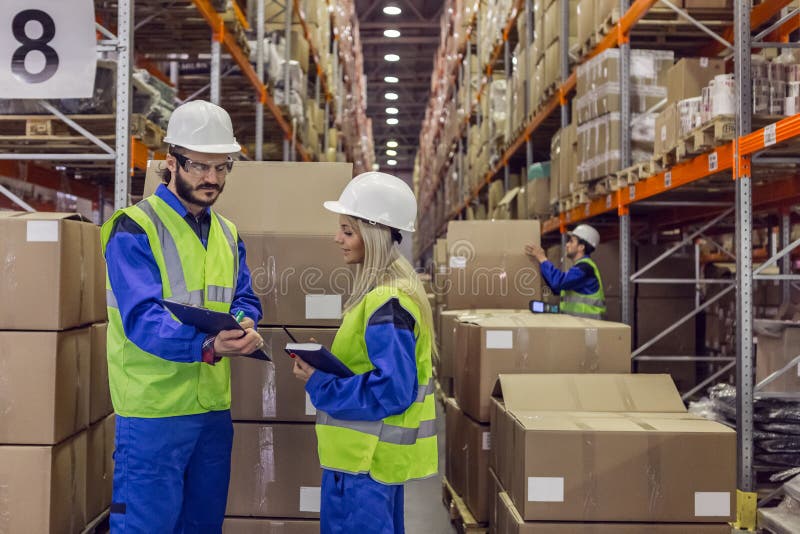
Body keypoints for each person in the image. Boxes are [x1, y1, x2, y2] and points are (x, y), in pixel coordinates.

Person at [101, 100, 264, 532]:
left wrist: (245, 323)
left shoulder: (228, 234)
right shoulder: (134, 228)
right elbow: (142, 318)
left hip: (211, 410)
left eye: (222, 167)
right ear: (171, 161)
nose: (212, 178)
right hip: (154, 412)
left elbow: (244, 297)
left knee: (202, 526)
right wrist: (207, 345)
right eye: (199, 166)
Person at [292, 171, 438, 534]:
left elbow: (393, 390)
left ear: (372, 236)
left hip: (363, 467)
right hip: (371, 464)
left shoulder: (386, 302)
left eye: (348, 230)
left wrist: (319, 382)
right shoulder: (390, 294)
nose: (337, 238)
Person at [524, 223, 606, 319]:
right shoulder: (580, 267)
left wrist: (542, 259)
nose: (567, 244)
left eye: (571, 241)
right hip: (580, 325)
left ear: (581, 247)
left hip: (589, 326)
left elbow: (557, 283)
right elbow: (557, 288)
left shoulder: (585, 268)